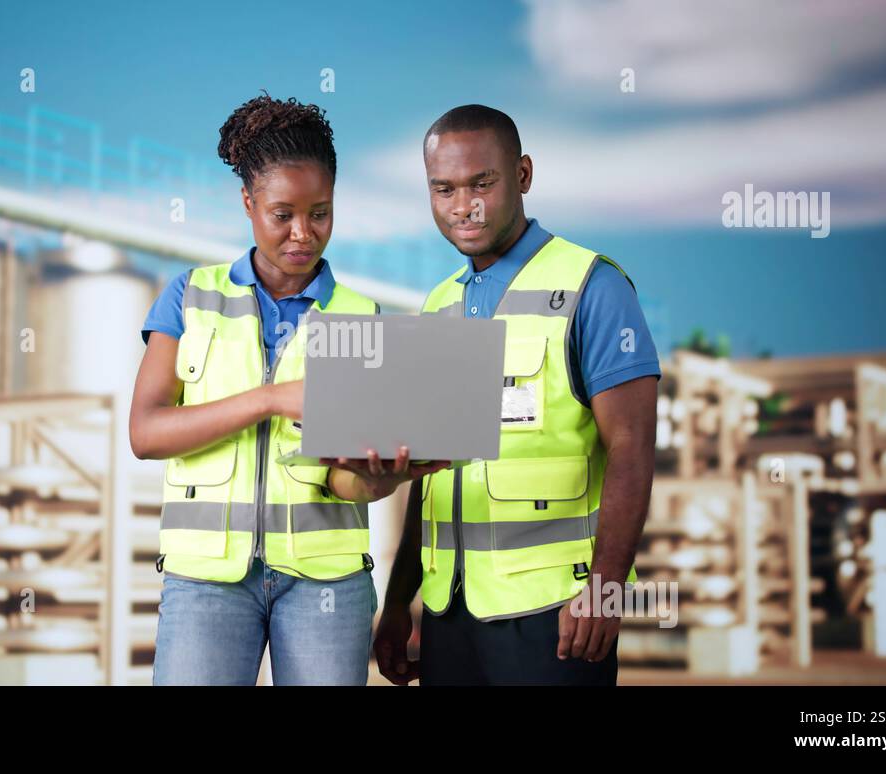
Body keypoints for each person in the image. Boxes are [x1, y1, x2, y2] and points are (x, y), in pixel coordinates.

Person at [130, 93, 444, 685]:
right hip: (206, 582)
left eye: (320, 213)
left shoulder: (360, 316)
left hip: (325, 582)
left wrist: (386, 476)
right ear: (248, 203)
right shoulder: (189, 297)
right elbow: (145, 433)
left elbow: (345, 480)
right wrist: (271, 398)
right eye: (283, 214)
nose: (303, 233)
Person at [373, 104, 660, 686]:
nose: (464, 206)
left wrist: (606, 589)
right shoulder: (438, 305)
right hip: (450, 612)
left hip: (555, 614)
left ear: (523, 175)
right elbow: (428, 479)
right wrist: (400, 599)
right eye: (444, 188)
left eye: (482, 183)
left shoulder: (593, 287)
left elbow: (632, 446)